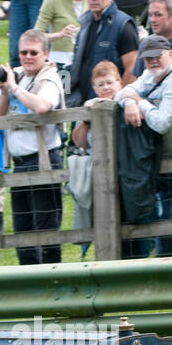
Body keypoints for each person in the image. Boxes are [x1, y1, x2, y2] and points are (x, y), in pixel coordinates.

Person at [115, 34, 172, 257]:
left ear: (170, 55)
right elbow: (123, 92)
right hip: (162, 159)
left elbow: (162, 122)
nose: (153, 61)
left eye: (157, 56)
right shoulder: (150, 74)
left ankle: (164, 272)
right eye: (148, 58)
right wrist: (129, 103)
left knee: (171, 224)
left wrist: (140, 102)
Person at [0, 29, 66, 265]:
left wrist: (14, 88)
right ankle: (30, 282)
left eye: (33, 52)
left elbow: (42, 106)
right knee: (22, 230)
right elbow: (2, 114)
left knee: (46, 228)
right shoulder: (19, 77)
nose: (27, 57)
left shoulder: (49, 78)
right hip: (20, 163)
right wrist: (5, 90)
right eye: (23, 52)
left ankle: (53, 281)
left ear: (45, 53)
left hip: (43, 161)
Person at [69, 60, 122, 242]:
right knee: (102, 220)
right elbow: (79, 142)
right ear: (94, 87)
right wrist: (86, 119)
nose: (106, 88)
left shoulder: (127, 100)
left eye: (109, 82)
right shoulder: (90, 104)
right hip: (97, 171)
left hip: (124, 168)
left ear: (119, 82)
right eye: (100, 84)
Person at [67, 0, 139, 106]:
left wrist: (119, 104)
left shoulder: (123, 25)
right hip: (85, 103)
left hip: (110, 107)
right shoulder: (85, 24)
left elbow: (132, 70)